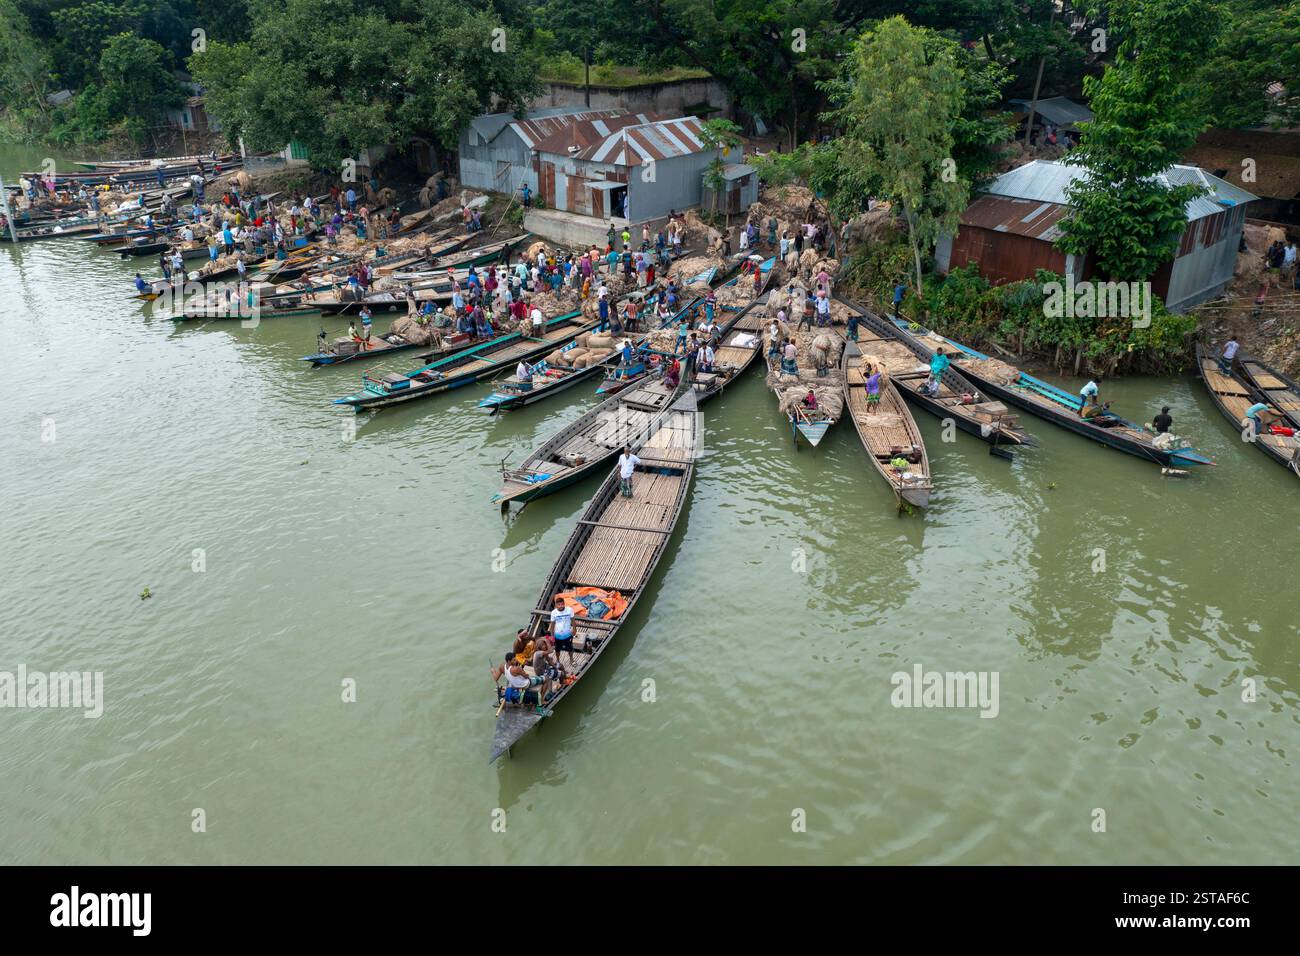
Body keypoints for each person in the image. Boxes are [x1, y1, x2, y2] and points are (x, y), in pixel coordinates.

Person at [550, 595, 576, 667]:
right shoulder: (553, 613)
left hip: (568, 634)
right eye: (559, 605)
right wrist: (552, 635)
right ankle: (558, 660)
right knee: (557, 649)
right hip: (557, 635)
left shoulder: (569, 610)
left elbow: (573, 620)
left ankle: (571, 659)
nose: (561, 606)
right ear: (556, 605)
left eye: (562, 604)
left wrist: (574, 629)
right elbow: (552, 624)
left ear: (564, 603)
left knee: (570, 648)